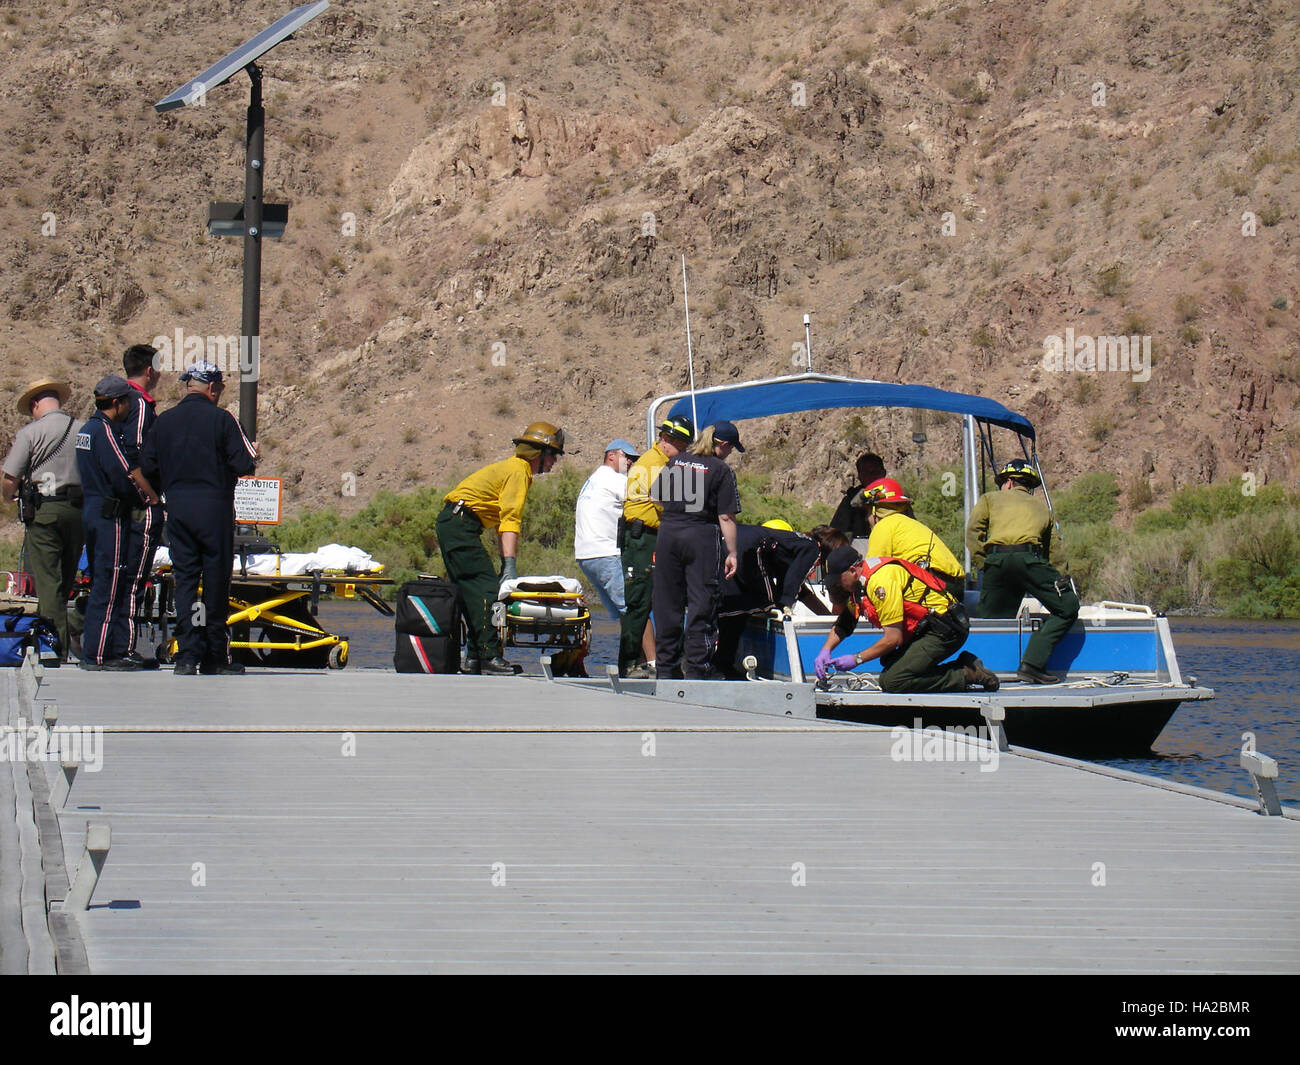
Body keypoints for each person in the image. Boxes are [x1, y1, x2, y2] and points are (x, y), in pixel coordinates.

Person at [139, 362, 258, 676]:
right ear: (213, 388)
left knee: (186, 581)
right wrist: (253, 453)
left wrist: (160, 495)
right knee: (215, 580)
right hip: (214, 509)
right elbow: (244, 464)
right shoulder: (222, 420)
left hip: (177, 509)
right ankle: (215, 656)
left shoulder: (164, 422)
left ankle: (187, 655)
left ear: (187, 386)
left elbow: (145, 468)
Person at [437, 421, 564, 676]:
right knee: (485, 589)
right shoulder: (519, 472)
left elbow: (501, 521)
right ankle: (489, 657)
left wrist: (505, 560)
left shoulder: (513, 468)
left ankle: (474, 657)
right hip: (460, 524)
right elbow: (510, 520)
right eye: (553, 456)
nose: (554, 463)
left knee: (473, 592)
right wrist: (509, 565)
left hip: (455, 522)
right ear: (540, 454)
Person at [812, 546, 999, 694]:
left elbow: (893, 639)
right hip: (927, 628)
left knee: (892, 680)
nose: (837, 585)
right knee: (889, 661)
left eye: (838, 580)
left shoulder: (880, 582)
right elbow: (846, 622)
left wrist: (856, 658)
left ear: (853, 570)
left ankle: (967, 673)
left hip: (946, 629)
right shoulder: (861, 583)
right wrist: (825, 650)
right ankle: (964, 665)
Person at [966, 458, 1080, 684]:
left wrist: (985, 565)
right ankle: (1032, 665)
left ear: (1008, 482)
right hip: (1030, 560)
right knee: (1067, 608)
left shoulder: (989, 499)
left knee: (992, 621)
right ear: (1028, 485)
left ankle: (986, 672)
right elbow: (1054, 552)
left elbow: (972, 532)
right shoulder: (1042, 508)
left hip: (996, 562)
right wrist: (1056, 579)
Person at [75, 376, 160, 671]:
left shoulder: (86, 430)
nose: (128, 408)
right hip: (110, 517)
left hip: (93, 513)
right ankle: (100, 654)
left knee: (101, 582)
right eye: (126, 402)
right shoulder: (104, 432)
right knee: (110, 586)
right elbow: (124, 473)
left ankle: (98, 650)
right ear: (116, 403)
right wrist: (149, 499)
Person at [651, 421, 742, 680]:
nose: (729, 454)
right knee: (702, 603)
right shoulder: (721, 470)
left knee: (667, 604)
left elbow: (655, 497)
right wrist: (732, 552)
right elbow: (726, 517)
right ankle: (697, 671)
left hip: (668, 534)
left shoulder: (677, 461)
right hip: (700, 536)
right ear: (722, 445)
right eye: (731, 449)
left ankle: (666, 671)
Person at [1, 378, 84, 660]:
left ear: (36, 404)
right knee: (67, 578)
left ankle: (53, 646)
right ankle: (71, 626)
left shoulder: (30, 433)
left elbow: (11, 476)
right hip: (78, 511)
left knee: (48, 581)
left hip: (44, 511)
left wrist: (9, 496)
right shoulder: (83, 430)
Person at [618, 413, 694, 677]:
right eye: (679, 444)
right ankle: (628, 664)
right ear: (664, 439)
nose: (682, 449)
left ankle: (666, 660)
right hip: (642, 538)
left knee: (661, 600)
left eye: (684, 445)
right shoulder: (654, 464)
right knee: (638, 601)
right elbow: (662, 499)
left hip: (654, 537)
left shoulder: (664, 463)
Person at [713, 519, 821, 677]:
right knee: (762, 604)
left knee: (734, 609)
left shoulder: (769, 546)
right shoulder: (806, 548)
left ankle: (721, 664)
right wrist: (784, 603)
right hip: (743, 547)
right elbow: (792, 586)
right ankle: (722, 664)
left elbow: (795, 587)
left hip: (725, 543)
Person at [120, 344, 164, 661]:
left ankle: (111, 642)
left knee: (118, 574)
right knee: (135, 577)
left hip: (116, 502)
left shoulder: (119, 399)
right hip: (137, 503)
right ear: (150, 371)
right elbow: (134, 452)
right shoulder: (139, 403)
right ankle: (126, 645)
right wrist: (151, 495)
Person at [861, 477, 965, 598]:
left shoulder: (884, 526)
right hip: (952, 584)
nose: (865, 519)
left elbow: (871, 572)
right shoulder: (910, 524)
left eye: (867, 513)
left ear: (876, 510)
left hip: (935, 583)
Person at [574, 439, 639, 622]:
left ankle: (631, 650)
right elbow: (644, 499)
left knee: (621, 613)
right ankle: (653, 652)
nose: (630, 462)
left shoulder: (593, 479)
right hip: (606, 552)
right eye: (626, 456)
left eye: (632, 459)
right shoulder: (615, 479)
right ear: (611, 455)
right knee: (633, 610)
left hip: (585, 556)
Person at [830, 452, 887, 539]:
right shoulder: (851, 500)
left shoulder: (896, 497)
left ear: (883, 473)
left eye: (874, 472)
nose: (870, 477)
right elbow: (836, 533)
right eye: (865, 473)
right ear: (860, 477)